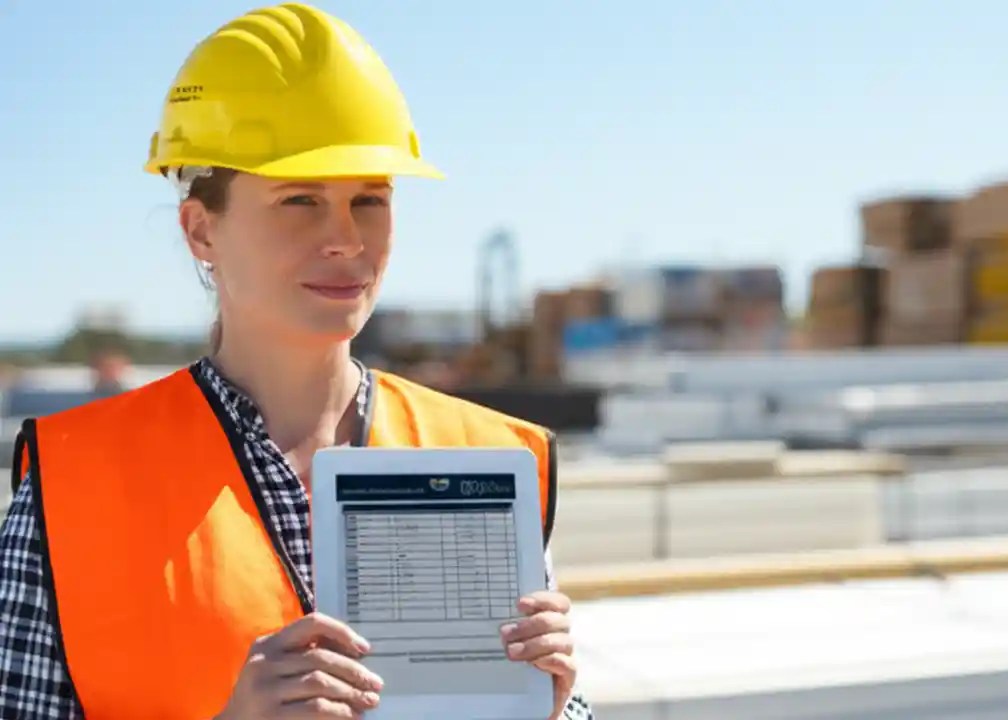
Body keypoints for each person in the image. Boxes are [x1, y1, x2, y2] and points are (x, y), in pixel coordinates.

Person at [0, 4, 593, 719]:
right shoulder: (76, 484)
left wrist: (556, 706)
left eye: (369, 199)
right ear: (200, 229)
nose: (345, 239)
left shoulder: (488, 462)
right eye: (300, 200)